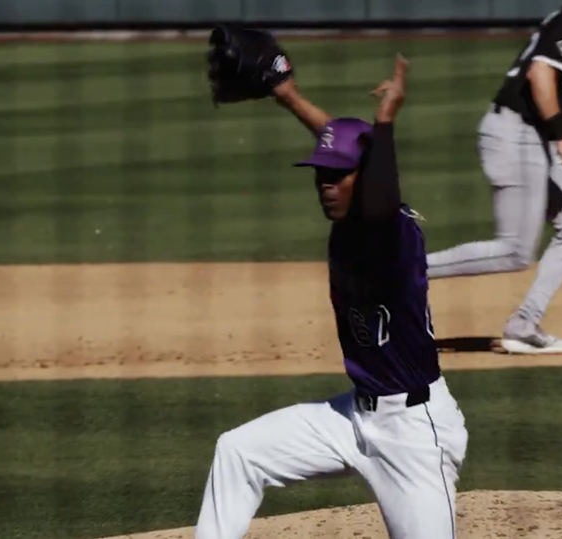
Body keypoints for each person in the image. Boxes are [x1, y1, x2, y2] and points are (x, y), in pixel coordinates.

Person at [195, 54, 468, 539]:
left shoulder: (388, 231)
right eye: (319, 174)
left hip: (413, 434)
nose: (325, 185)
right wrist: (289, 97)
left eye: (337, 175)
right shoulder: (350, 211)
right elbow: (340, 144)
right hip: (352, 417)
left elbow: (376, 178)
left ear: (364, 178)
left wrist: (386, 120)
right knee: (238, 451)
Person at [425, 0, 562, 355]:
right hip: (517, 138)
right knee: (515, 251)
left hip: (530, 138)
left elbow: (556, 98)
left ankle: (523, 326)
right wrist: (561, 138)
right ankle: (400, 270)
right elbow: (539, 75)